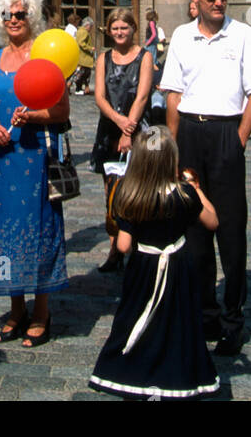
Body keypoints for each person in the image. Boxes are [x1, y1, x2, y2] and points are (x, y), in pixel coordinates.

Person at [161, 0, 251, 356]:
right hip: (189, 133)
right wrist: (174, 144)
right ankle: (204, 313)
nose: (219, 3)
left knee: (231, 229)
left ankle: (232, 319)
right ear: (196, 0)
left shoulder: (242, 36)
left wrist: (237, 142)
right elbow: (172, 94)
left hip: (226, 133)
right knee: (194, 230)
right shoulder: (182, 38)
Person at [89, 127, 219, 399]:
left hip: (144, 267)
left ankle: (130, 371)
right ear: (172, 159)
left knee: (136, 317)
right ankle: (177, 375)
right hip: (178, 265)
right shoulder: (184, 194)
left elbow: (123, 246)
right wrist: (197, 189)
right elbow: (212, 221)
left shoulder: (130, 193)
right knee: (177, 322)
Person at [0, 0, 68, 347]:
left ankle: (41, 310)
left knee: (38, 227)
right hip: (0, 159)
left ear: (33, 18)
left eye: (20, 14)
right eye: (7, 15)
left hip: (35, 158)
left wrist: (33, 116)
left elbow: (61, 112)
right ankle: (16, 308)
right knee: (5, 229)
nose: (13, 20)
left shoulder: (44, 58)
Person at [90, 8, 153, 272]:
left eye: (124, 28)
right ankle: (115, 249)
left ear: (133, 29)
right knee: (112, 192)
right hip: (110, 130)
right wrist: (118, 122)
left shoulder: (145, 57)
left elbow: (142, 96)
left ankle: (137, 247)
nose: (119, 32)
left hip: (138, 131)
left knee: (138, 192)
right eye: (115, 28)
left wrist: (128, 130)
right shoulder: (104, 57)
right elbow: (100, 96)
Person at [72, 16, 96, 95]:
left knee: (82, 73)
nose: (91, 29)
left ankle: (82, 88)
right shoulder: (84, 32)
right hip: (84, 57)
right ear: (87, 25)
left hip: (81, 57)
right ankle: (76, 88)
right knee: (82, 74)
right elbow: (81, 43)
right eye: (91, 27)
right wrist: (90, 48)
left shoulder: (79, 31)